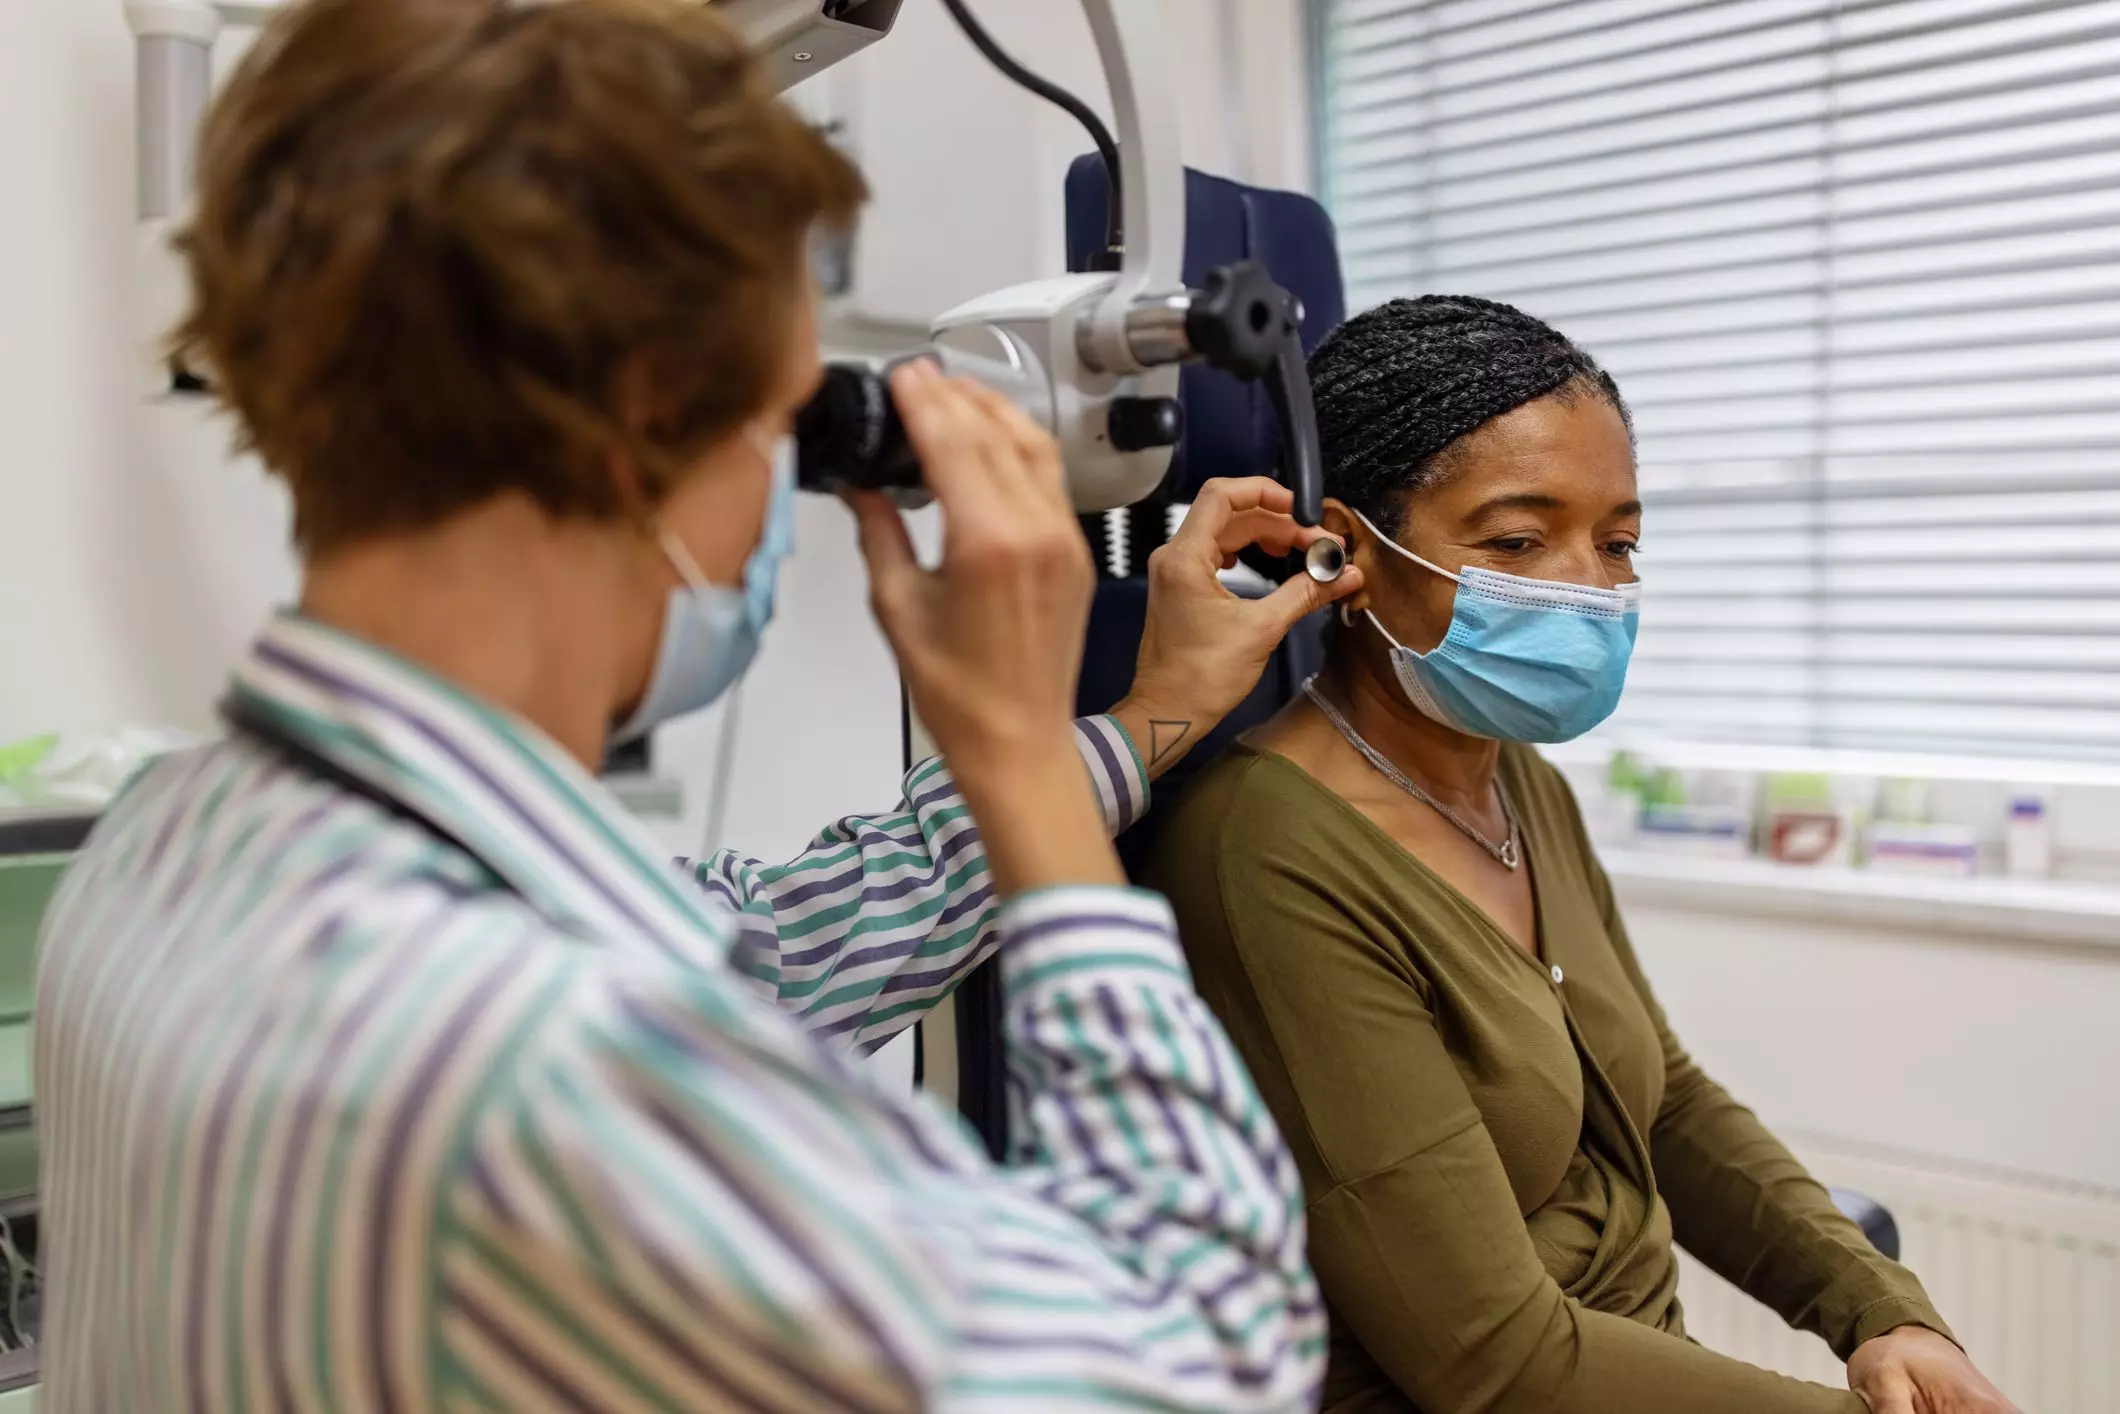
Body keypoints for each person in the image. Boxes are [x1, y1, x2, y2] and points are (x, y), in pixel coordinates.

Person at [32, 1, 1365, 1408]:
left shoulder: (166, 837)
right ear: (648, 418)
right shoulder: (551, 1072)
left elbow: (761, 944)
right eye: (788, 423)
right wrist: (1030, 776)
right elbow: (1205, 1356)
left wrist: (1133, 720)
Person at [1145, 295, 2021, 1414]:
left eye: (1616, 544)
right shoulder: (1263, 852)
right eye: (1516, 539)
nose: (1584, 586)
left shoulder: (1517, 785)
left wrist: (1879, 1309)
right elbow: (1488, 1359)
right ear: (1345, 550)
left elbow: (1660, 1104)